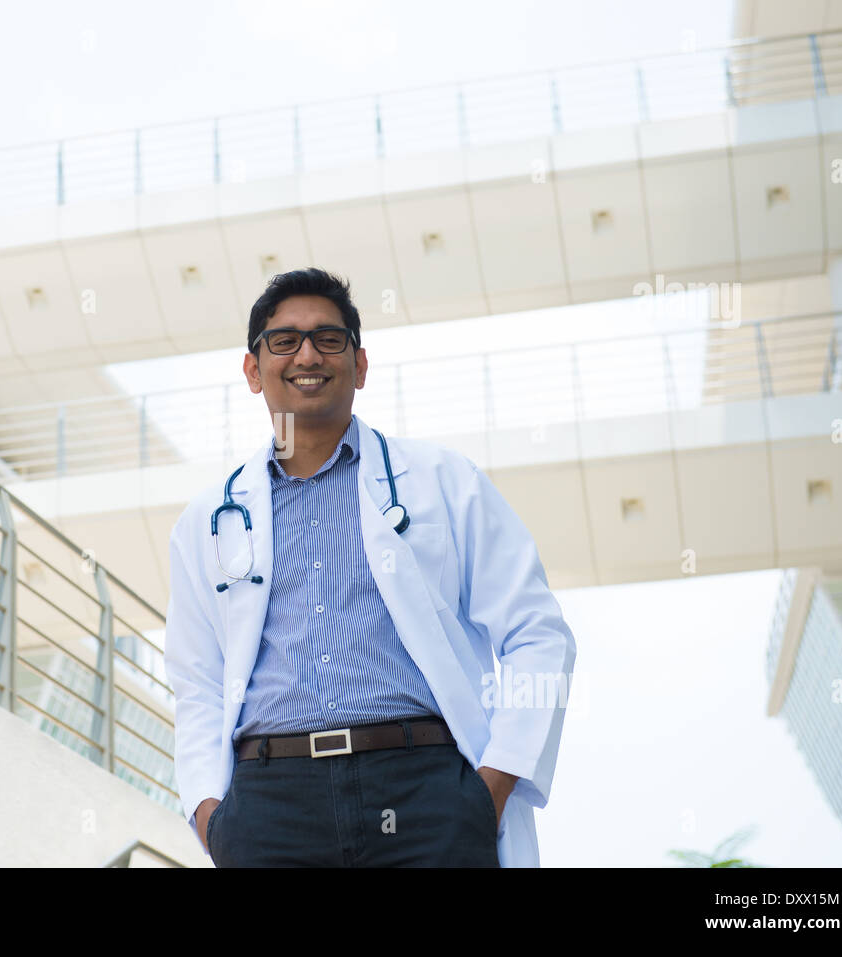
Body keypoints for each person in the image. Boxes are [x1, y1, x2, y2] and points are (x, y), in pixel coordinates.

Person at [164, 267, 576, 867]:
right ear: (253, 371)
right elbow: (196, 679)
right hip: (270, 809)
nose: (308, 353)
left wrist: (494, 786)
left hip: (424, 793)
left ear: (359, 365)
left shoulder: (443, 481)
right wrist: (210, 812)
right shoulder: (208, 519)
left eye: (329, 339)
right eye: (284, 340)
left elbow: (538, 635)